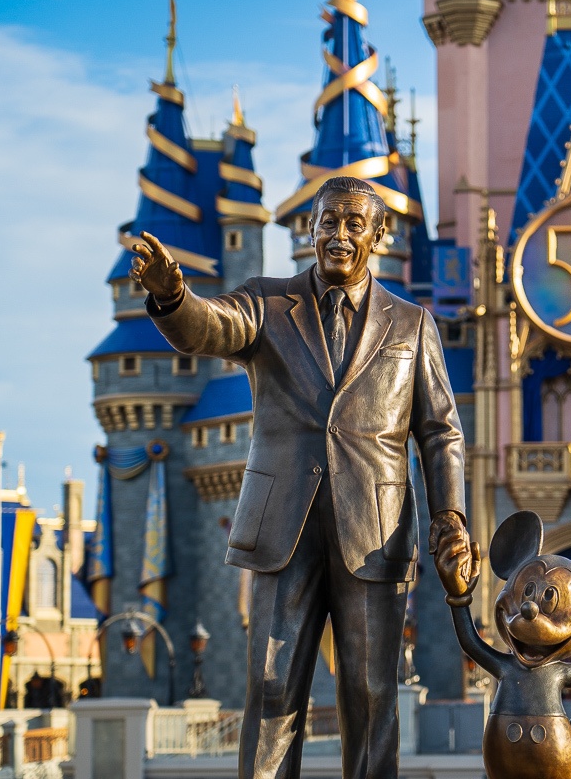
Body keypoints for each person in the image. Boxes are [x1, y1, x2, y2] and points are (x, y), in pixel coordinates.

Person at [130, 175, 473, 779]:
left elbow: (440, 431)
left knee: (371, 697)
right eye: (328, 221)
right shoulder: (267, 302)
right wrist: (172, 297)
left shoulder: (413, 324)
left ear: (378, 234)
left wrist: (450, 520)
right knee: (269, 691)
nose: (339, 235)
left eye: (354, 223)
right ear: (309, 228)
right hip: (281, 527)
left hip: (375, 532)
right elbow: (209, 328)